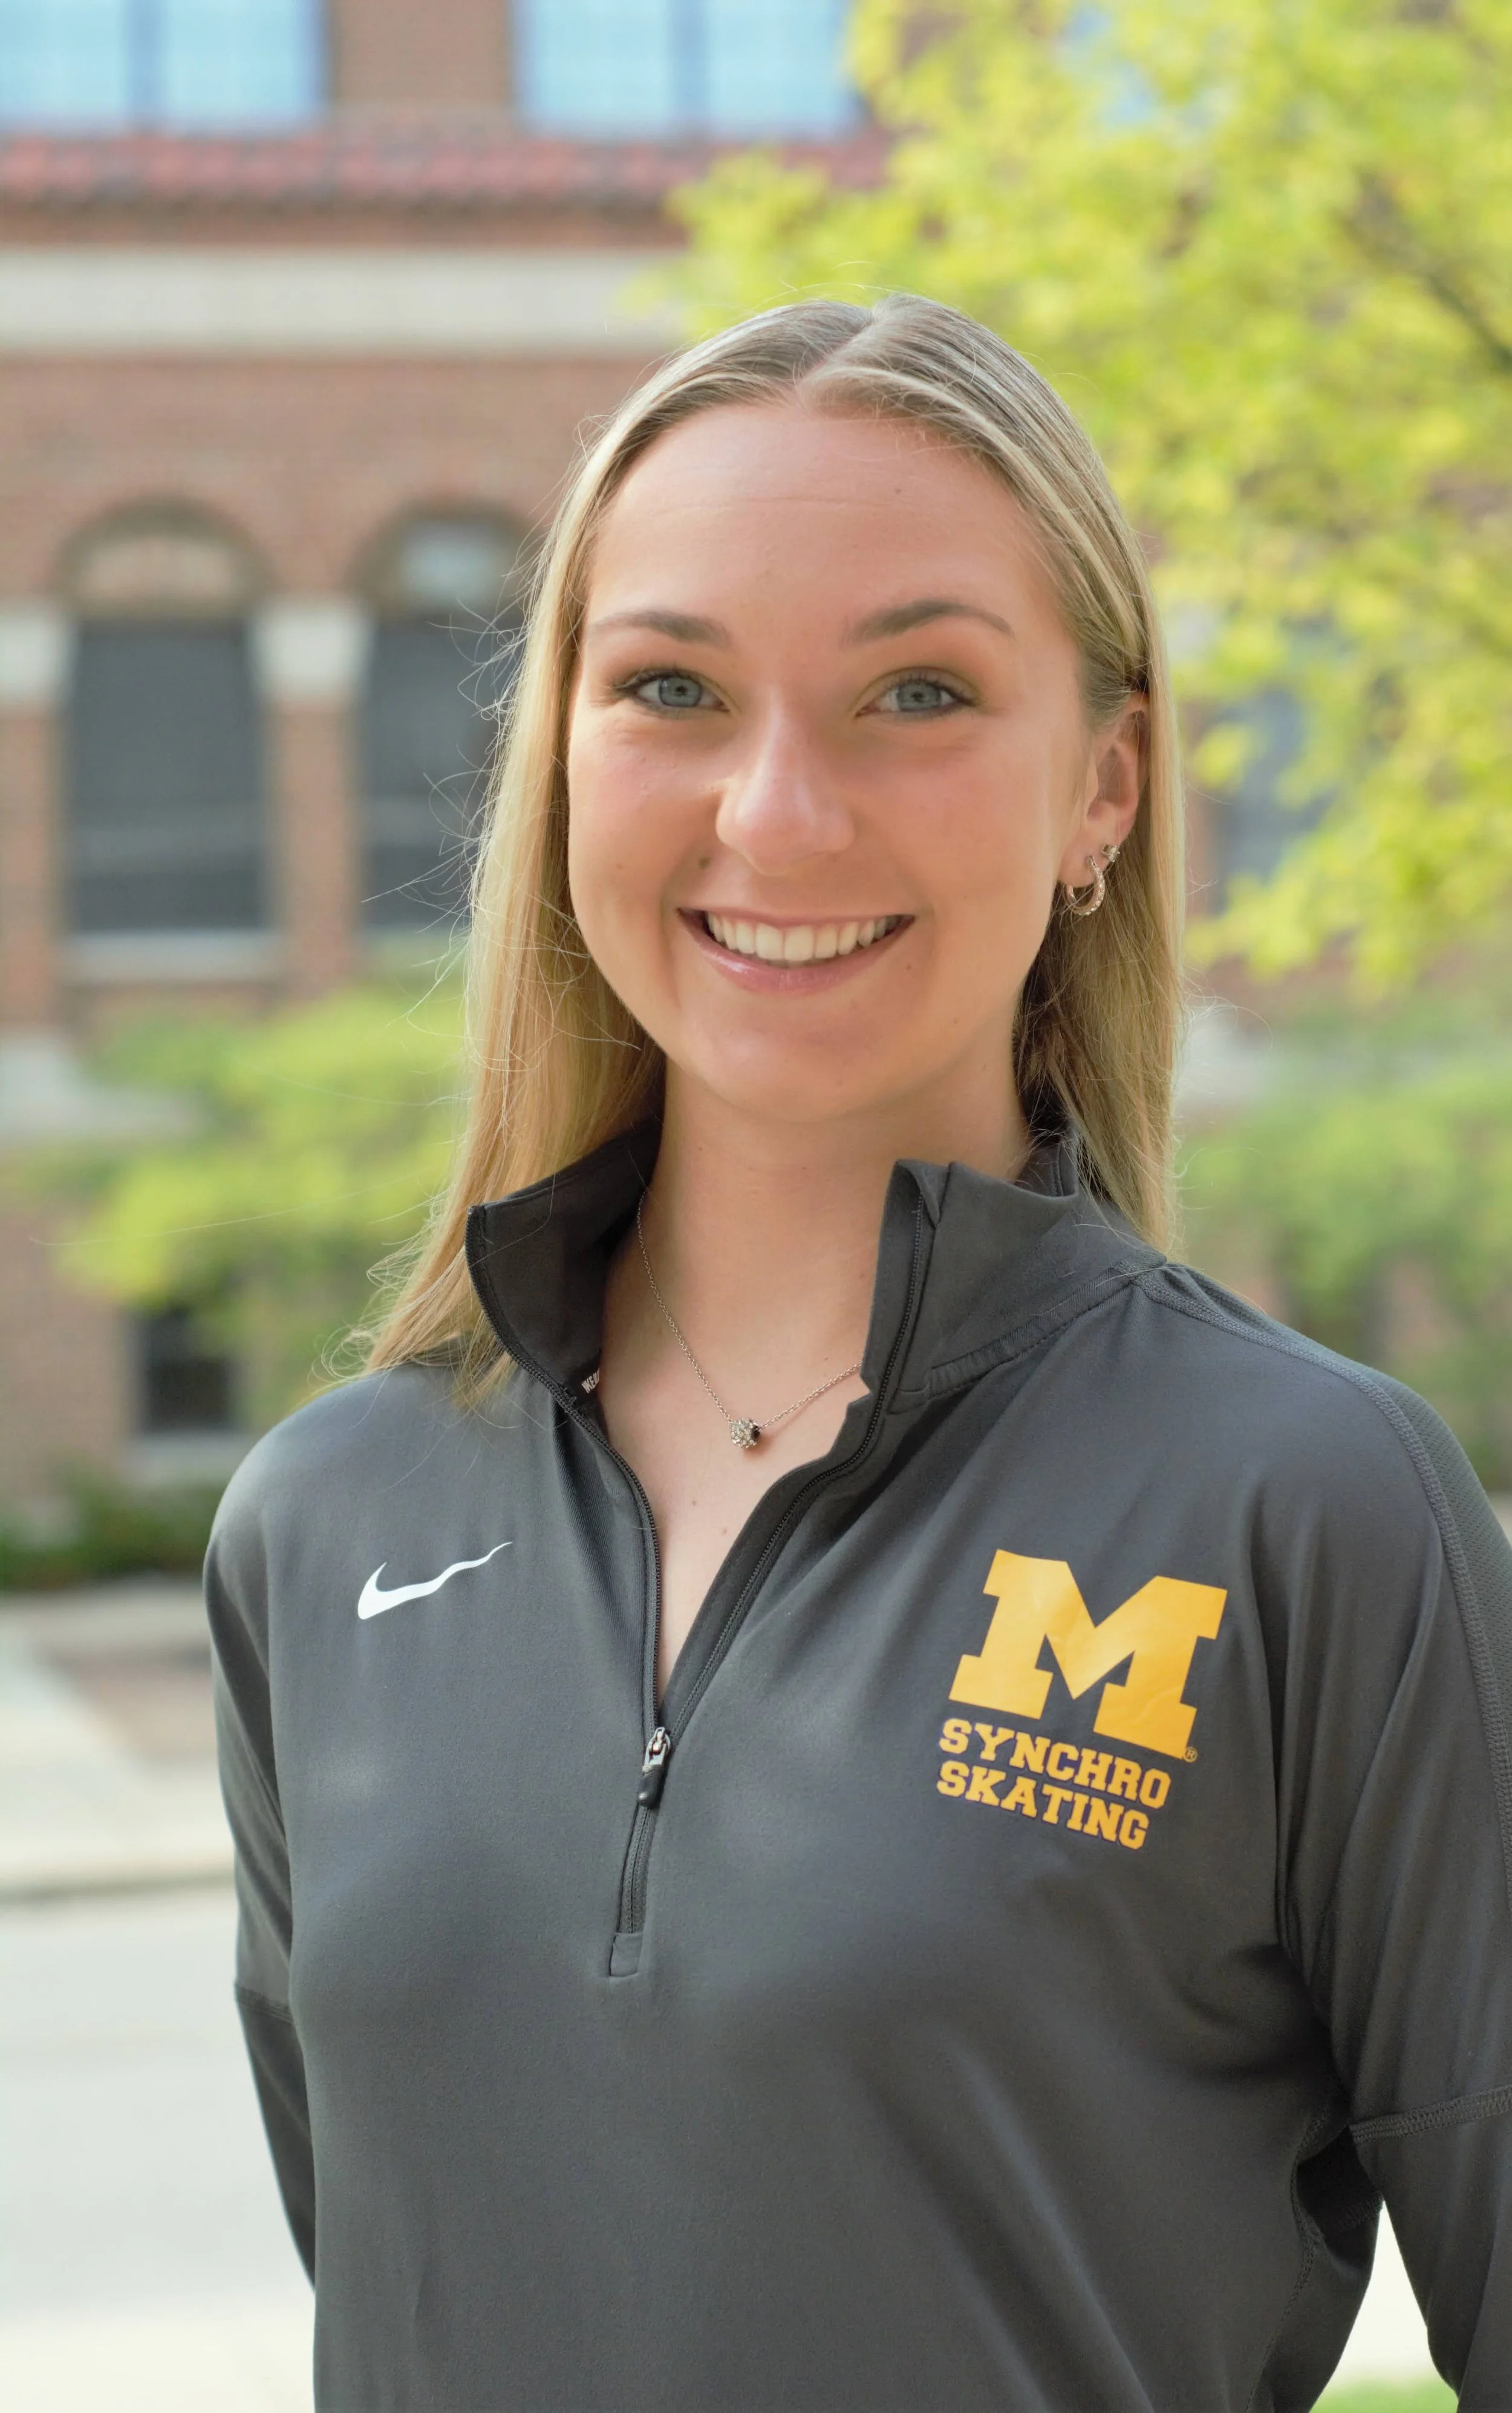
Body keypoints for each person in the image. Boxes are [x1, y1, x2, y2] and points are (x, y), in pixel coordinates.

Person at [208, 296, 1512, 2412]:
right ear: (559, 766)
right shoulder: (325, 1521)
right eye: (670, 690)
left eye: (916, 690)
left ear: (1102, 786)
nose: (776, 813)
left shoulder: (1308, 1509)